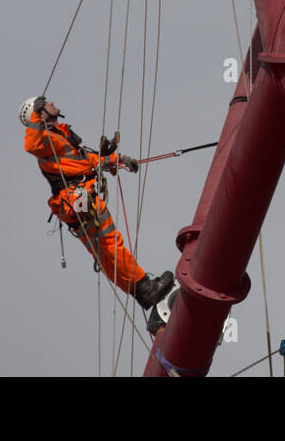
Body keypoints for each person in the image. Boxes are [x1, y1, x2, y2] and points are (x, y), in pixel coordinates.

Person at [20, 96, 174, 311]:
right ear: (40, 114)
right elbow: (31, 144)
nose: (51, 102)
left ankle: (140, 291)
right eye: (45, 104)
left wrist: (117, 159)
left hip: (78, 198)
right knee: (109, 243)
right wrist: (36, 116)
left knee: (105, 251)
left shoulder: (59, 137)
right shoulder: (45, 140)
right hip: (78, 197)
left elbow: (85, 161)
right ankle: (144, 287)